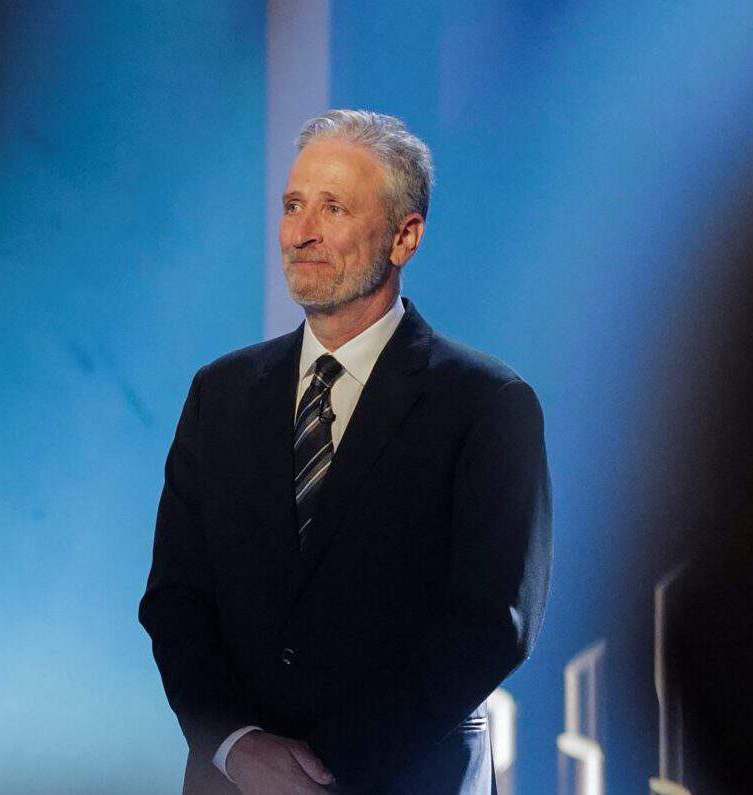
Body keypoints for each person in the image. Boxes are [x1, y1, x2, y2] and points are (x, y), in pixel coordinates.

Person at [139, 109, 551, 794]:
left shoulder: (487, 404)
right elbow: (177, 599)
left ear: (405, 236)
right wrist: (239, 746)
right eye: (294, 205)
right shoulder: (219, 394)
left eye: (334, 208)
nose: (301, 233)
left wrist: (321, 769)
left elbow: (492, 623)